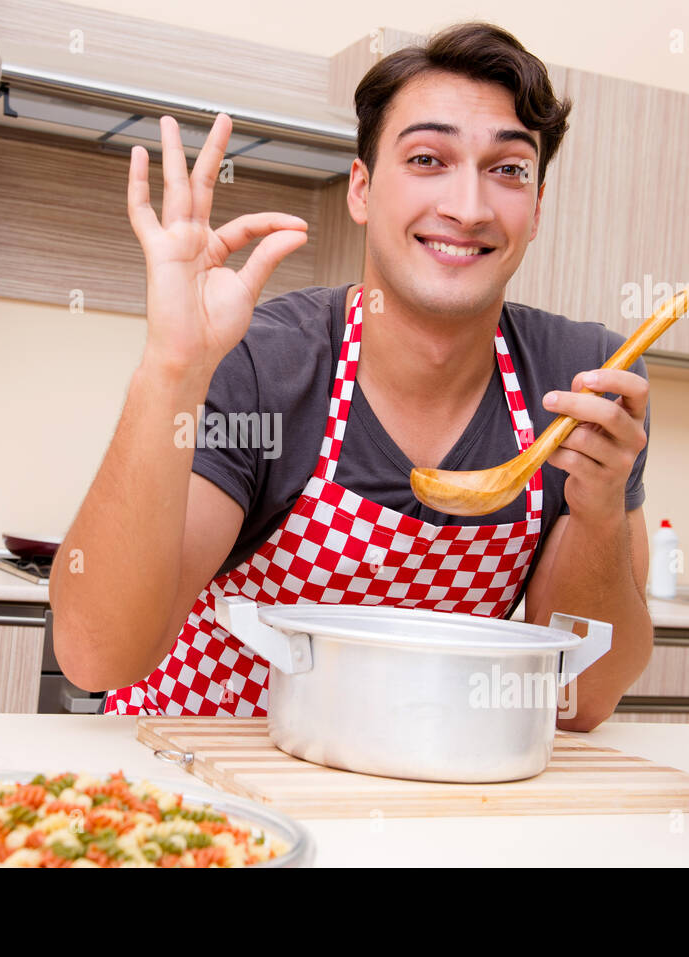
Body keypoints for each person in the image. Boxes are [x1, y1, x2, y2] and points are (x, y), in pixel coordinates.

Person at [49, 21, 652, 731]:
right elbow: (97, 656)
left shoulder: (581, 378)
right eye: (429, 158)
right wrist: (170, 367)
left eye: (509, 169)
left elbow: (575, 699)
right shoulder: (265, 361)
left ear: (538, 209)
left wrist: (601, 507)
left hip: (415, 796)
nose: (469, 206)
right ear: (361, 190)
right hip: (200, 787)